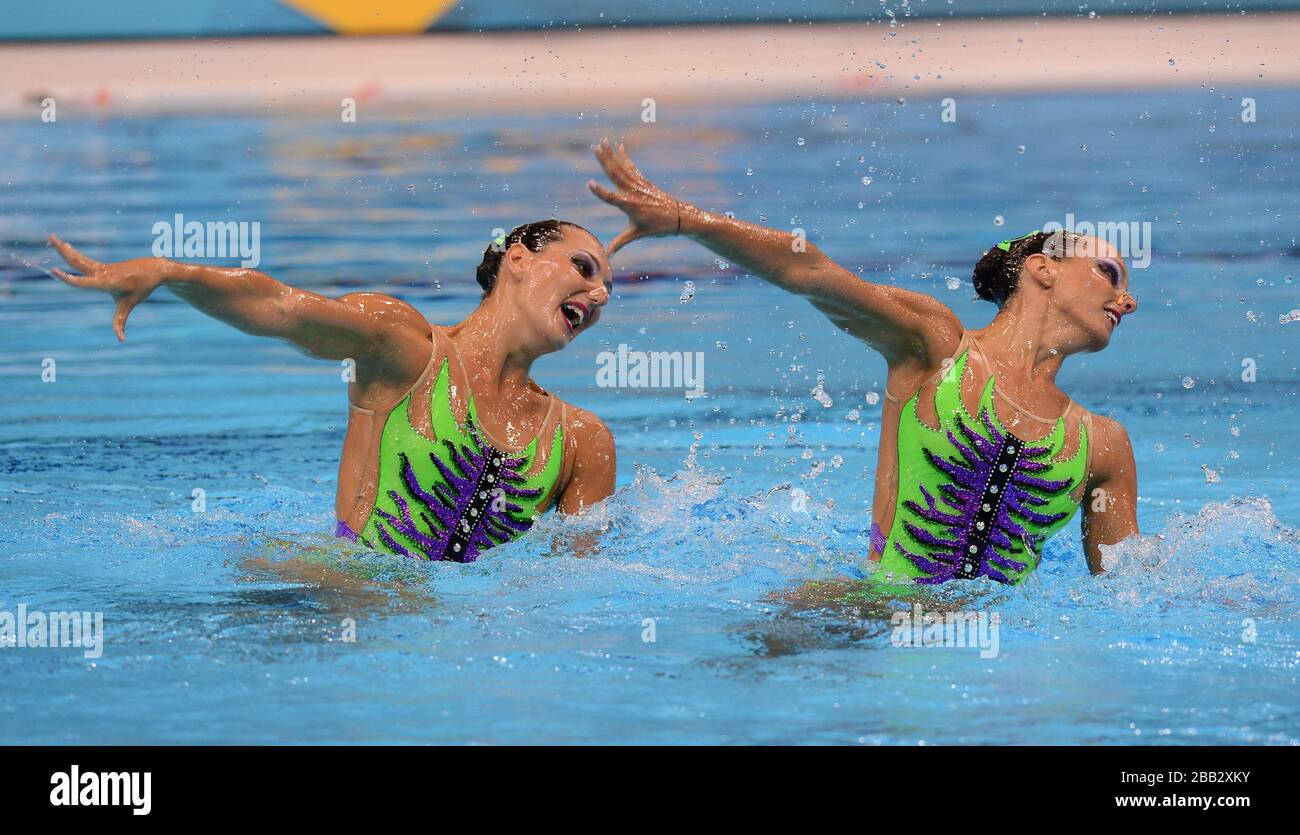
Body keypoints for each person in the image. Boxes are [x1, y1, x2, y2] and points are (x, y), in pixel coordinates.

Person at [588, 140, 1138, 584]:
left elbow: (1125, 592)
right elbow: (811, 272)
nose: (1127, 300)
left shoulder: (1103, 443)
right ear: (1043, 269)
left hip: (1004, 655)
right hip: (874, 620)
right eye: (1109, 273)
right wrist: (686, 220)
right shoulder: (937, 347)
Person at [48, 219, 616, 562]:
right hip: (343, 604)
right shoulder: (406, 349)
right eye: (583, 268)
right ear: (517, 259)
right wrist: (171, 274)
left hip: (471, 647)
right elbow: (282, 307)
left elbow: (574, 586)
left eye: (607, 288)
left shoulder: (582, 441)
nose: (598, 295)